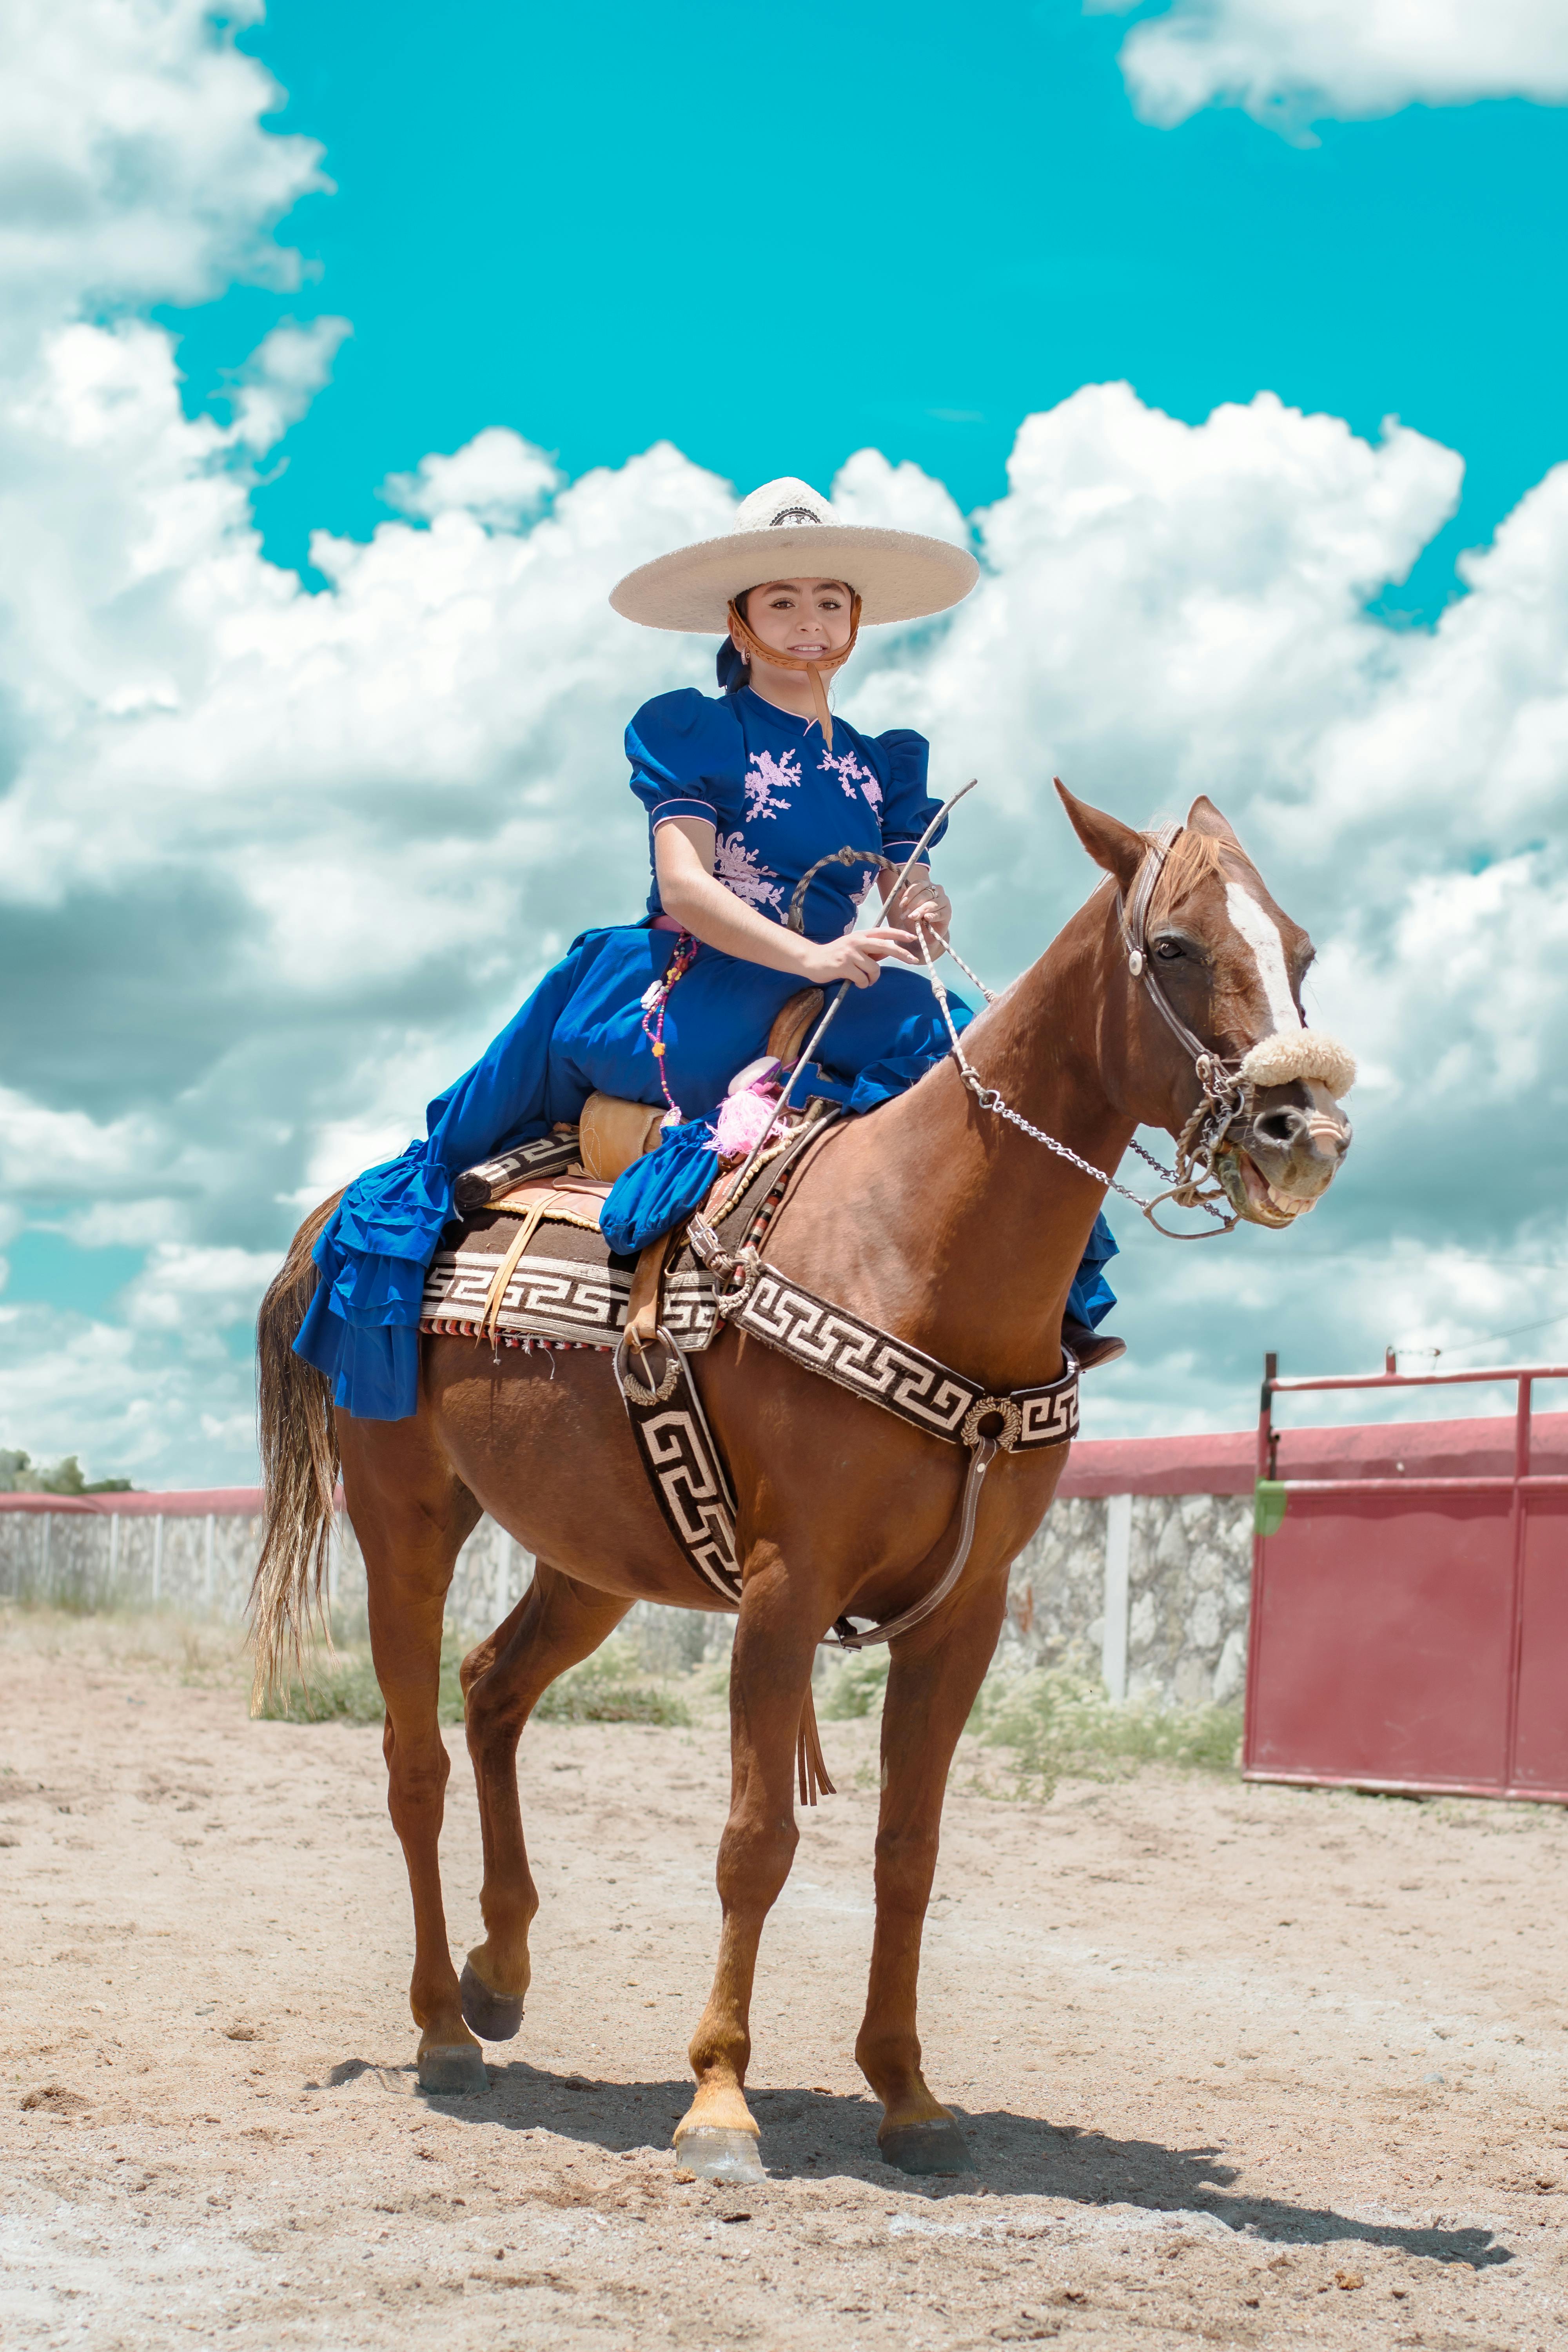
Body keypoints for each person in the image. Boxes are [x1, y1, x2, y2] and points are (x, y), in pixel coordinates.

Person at [294, 479, 1121, 1421]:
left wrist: (923, 911)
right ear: (738, 619)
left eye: (828, 601)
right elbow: (686, 887)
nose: (808, 623)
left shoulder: (878, 759)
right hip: (698, 982)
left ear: (853, 617)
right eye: (782, 601)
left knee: (988, 1058)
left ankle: (1031, 1305)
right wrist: (811, 958)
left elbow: (903, 893)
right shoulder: (695, 731)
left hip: (840, 981)